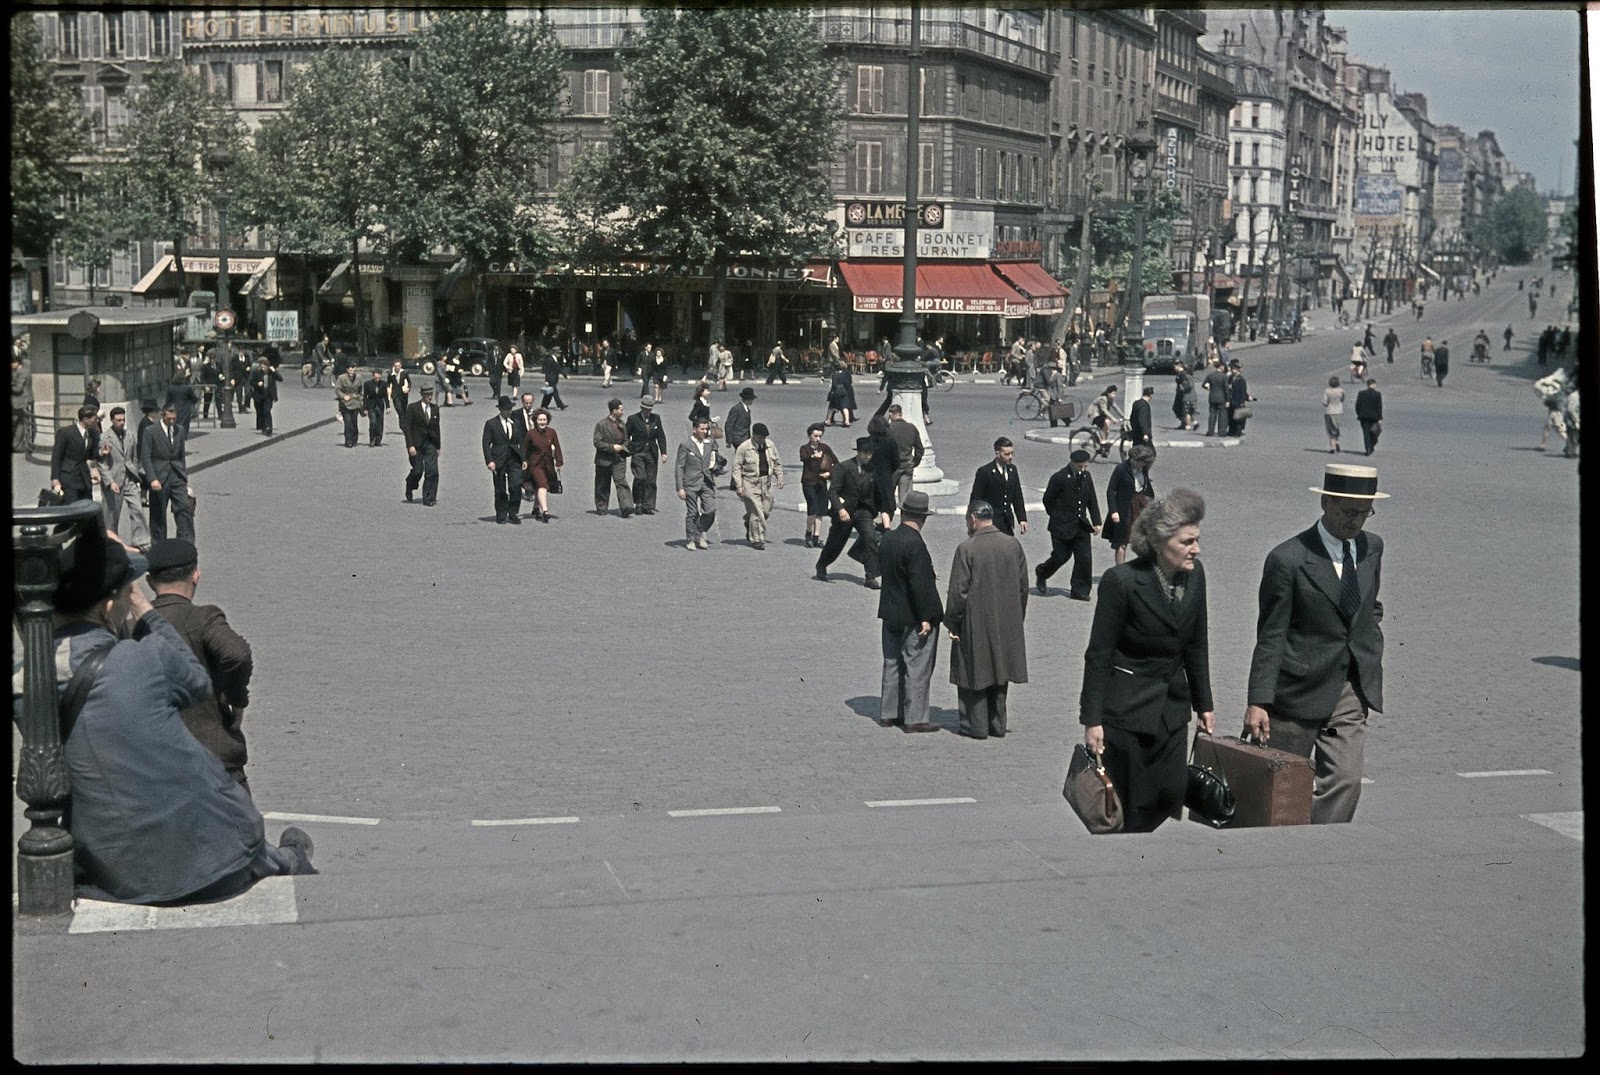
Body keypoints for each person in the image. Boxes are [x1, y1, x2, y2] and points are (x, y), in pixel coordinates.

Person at [23, 529, 315, 904]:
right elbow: (194, 679)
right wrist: (143, 608)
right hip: (213, 861)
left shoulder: (27, 678)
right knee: (268, 856)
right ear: (110, 605)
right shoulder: (143, 657)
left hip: (114, 869)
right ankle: (289, 859)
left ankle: (284, 856)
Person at [1245, 464, 1389, 825]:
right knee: (1282, 787)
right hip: (1296, 694)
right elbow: (1271, 635)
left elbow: (1368, 606)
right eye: (1347, 511)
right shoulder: (1288, 559)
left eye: (1364, 512)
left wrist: (1371, 645)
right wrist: (1258, 700)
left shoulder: (1372, 548)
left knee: (1345, 780)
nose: (1356, 522)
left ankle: (1319, 847)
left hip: (1348, 691)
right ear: (1325, 503)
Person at [1079, 488, 1214, 833]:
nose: (1195, 549)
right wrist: (1092, 721)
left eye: (1196, 540)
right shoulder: (1121, 582)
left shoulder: (1195, 577)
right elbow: (1099, 654)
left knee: (1169, 794)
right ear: (1159, 541)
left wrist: (1204, 704)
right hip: (1127, 713)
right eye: (1187, 542)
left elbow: (1197, 644)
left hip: (1171, 711)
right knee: (1131, 804)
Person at [144, 538, 255, 789]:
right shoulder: (204, 618)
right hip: (213, 754)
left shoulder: (131, 627)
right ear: (196, 575)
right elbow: (236, 653)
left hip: (156, 759)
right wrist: (236, 698)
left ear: (150, 581)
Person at [944, 501, 1029, 740]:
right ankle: (997, 723)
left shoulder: (967, 549)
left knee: (975, 670)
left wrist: (952, 621)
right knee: (999, 670)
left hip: (976, 620)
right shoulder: (1013, 545)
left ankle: (976, 724)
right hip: (1007, 620)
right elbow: (1023, 587)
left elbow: (958, 592)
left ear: (972, 519)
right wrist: (1016, 616)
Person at [877, 490, 943, 733]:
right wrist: (927, 617)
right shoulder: (915, 544)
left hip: (890, 611)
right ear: (922, 518)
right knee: (917, 665)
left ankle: (889, 712)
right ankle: (915, 718)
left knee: (892, 662)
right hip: (913, 616)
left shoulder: (889, 538)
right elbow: (920, 585)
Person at [815, 435, 881, 587]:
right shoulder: (844, 467)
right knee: (836, 542)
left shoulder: (872, 469)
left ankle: (870, 576)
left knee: (870, 538)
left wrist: (875, 511)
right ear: (858, 452)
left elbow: (875, 492)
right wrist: (840, 509)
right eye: (865, 453)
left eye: (870, 453)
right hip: (845, 511)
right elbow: (833, 491)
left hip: (863, 511)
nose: (868, 456)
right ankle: (822, 565)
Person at [1036, 449, 1101, 601]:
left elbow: (1092, 499)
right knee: (1061, 557)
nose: (1084, 470)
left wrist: (1096, 521)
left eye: (1086, 466)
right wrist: (1057, 516)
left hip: (1081, 525)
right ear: (1072, 463)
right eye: (1081, 467)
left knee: (1084, 558)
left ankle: (1079, 590)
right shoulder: (1059, 478)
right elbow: (1048, 500)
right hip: (1061, 525)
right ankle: (1042, 572)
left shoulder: (1086, 476)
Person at [141, 401, 195, 544]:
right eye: (169, 418)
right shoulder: (151, 431)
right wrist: (152, 478)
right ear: (162, 416)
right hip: (159, 477)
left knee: (184, 508)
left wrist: (184, 479)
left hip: (176, 475)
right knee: (158, 514)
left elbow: (181, 456)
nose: (172, 421)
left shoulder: (179, 430)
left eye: (174, 418)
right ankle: (159, 545)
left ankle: (186, 542)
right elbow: (145, 458)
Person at [98, 407, 150, 550]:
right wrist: (109, 481)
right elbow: (102, 464)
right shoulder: (105, 437)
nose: (121, 423)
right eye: (118, 420)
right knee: (112, 514)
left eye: (123, 420)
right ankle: (111, 542)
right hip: (114, 481)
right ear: (112, 420)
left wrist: (135, 474)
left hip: (129, 479)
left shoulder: (130, 436)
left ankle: (141, 541)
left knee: (137, 509)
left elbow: (133, 458)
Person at [674, 416, 723, 550]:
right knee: (692, 512)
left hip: (706, 481)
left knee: (710, 510)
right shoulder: (686, 445)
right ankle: (690, 539)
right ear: (694, 429)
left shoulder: (710, 442)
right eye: (702, 429)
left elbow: (714, 457)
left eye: (706, 429)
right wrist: (680, 487)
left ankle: (699, 531)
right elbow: (679, 466)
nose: (704, 431)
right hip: (690, 482)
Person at [732, 422, 784, 549]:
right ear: (754, 436)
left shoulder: (770, 446)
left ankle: (749, 521)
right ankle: (757, 539)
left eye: (764, 438)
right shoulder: (744, 448)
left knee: (766, 509)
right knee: (757, 511)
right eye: (760, 437)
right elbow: (737, 467)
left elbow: (777, 462)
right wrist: (739, 486)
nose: (762, 440)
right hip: (750, 482)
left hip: (766, 482)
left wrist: (780, 477)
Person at [1104, 443, 1156, 566]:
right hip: (1125, 508)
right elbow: (1111, 490)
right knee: (1122, 542)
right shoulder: (1121, 469)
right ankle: (1120, 569)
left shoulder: (1143, 469)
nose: (1143, 465)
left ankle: (1145, 567)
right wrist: (1113, 511)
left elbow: (1146, 486)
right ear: (1134, 459)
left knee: (1144, 538)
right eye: (1142, 462)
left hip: (1140, 504)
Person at [969, 437, 1028, 537]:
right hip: (990, 523)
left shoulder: (1012, 470)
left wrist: (1022, 519)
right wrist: (974, 522)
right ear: (997, 453)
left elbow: (1017, 496)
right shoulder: (985, 472)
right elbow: (976, 500)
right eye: (1007, 454)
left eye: (1012, 453)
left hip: (1007, 523)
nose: (1010, 457)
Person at [482, 396, 525, 524]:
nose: (509, 411)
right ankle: (501, 513)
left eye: (510, 409)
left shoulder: (516, 422)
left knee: (516, 485)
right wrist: (489, 460)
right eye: (506, 409)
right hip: (498, 459)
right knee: (500, 488)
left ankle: (513, 512)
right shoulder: (491, 423)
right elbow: (485, 443)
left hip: (513, 458)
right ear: (500, 409)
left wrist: (524, 458)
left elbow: (521, 442)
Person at [591, 398, 635, 518]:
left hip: (618, 459)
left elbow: (626, 439)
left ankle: (626, 506)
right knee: (602, 484)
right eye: (621, 410)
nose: (623, 412)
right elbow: (597, 442)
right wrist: (611, 447)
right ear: (614, 410)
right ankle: (601, 507)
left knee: (621, 482)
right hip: (603, 460)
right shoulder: (601, 424)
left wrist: (624, 447)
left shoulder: (622, 424)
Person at [798, 422, 839, 549]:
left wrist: (829, 473)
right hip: (809, 482)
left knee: (821, 510)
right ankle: (808, 534)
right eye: (815, 436)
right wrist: (813, 456)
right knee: (813, 509)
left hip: (821, 483)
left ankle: (816, 537)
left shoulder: (825, 448)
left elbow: (837, 463)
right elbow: (803, 458)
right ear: (810, 436)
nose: (818, 439)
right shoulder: (805, 448)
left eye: (820, 436)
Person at [50, 403, 101, 504]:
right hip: (68, 478)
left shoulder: (92, 433)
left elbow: (90, 454)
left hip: (84, 478)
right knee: (71, 508)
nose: (97, 421)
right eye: (95, 418)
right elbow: (56, 457)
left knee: (87, 508)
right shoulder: (65, 433)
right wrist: (55, 478)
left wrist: (101, 452)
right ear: (86, 419)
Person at [626, 396, 669, 515]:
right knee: (640, 477)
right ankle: (638, 502)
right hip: (638, 452)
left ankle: (647, 505)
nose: (647, 412)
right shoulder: (633, 419)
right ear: (641, 408)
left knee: (650, 479)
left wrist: (663, 452)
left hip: (651, 452)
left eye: (649, 409)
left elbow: (661, 436)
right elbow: (626, 435)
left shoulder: (656, 418)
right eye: (645, 409)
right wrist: (629, 449)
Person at [521, 406, 564, 522]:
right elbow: (524, 449)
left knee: (539, 486)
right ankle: (545, 511)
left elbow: (557, 447)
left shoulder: (552, 432)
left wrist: (559, 461)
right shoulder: (531, 433)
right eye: (540, 420)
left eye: (544, 420)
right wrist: (524, 461)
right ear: (535, 421)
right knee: (542, 485)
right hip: (535, 464)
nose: (542, 422)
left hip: (548, 463)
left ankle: (535, 508)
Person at [403, 384, 442, 506]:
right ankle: (410, 485)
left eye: (431, 394)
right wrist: (410, 445)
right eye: (427, 394)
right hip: (416, 444)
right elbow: (407, 428)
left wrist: (438, 446)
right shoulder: (412, 408)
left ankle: (429, 498)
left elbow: (437, 428)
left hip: (430, 443)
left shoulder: (435, 409)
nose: (429, 397)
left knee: (432, 471)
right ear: (422, 395)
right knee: (417, 471)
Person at [885, 403, 924, 515]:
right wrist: (914, 462)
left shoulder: (888, 429)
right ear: (901, 414)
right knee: (905, 499)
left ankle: (887, 523)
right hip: (907, 465)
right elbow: (919, 449)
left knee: (888, 497)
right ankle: (905, 522)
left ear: (891, 415)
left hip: (892, 468)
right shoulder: (911, 428)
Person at [724, 386, 756, 489]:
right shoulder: (737, 409)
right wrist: (729, 440)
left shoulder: (746, 409)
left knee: (741, 461)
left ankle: (737, 482)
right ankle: (736, 483)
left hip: (744, 438)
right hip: (738, 439)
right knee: (740, 461)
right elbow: (729, 424)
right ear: (748, 399)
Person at [249, 357, 282, 436]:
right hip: (259, 395)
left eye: (265, 367)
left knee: (267, 411)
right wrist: (257, 384)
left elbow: (280, 379)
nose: (263, 369)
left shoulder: (271, 373)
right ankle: (263, 428)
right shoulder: (256, 372)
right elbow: (251, 381)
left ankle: (268, 427)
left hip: (268, 395)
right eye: (262, 367)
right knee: (260, 412)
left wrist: (274, 371)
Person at [335, 362, 364, 448]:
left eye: (353, 370)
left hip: (355, 403)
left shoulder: (358, 377)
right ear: (347, 370)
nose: (352, 372)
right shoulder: (341, 378)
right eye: (350, 370)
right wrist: (343, 396)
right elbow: (337, 390)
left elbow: (360, 390)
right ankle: (348, 441)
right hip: (345, 404)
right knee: (348, 423)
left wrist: (361, 400)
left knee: (354, 422)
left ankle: (354, 439)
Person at [1354, 378, 1383, 456]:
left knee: (1366, 433)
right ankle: (1372, 444)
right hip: (1374, 417)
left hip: (1363, 416)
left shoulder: (1361, 393)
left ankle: (1368, 448)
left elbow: (1357, 405)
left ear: (1367, 385)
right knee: (1374, 432)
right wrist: (1380, 418)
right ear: (1374, 385)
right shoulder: (1377, 394)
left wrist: (1359, 413)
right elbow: (1379, 407)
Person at [11, 351, 33, 453]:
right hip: (20, 402)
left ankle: (17, 446)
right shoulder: (20, 371)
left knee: (19, 425)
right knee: (20, 425)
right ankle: (17, 446)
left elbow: (18, 388)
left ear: (16, 363)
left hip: (20, 402)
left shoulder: (22, 372)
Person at [1200, 360, 1228, 437]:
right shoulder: (1224, 376)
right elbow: (1226, 389)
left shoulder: (1210, 375)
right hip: (1222, 398)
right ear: (1221, 367)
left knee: (1212, 415)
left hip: (1212, 397)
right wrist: (1228, 400)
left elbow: (1204, 385)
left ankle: (1210, 431)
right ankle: (1221, 432)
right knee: (1222, 415)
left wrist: (1208, 388)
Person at [362, 367, 388, 447]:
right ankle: (372, 439)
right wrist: (365, 408)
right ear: (373, 376)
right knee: (373, 422)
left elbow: (385, 396)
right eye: (376, 378)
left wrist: (388, 407)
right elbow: (365, 396)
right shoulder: (367, 384)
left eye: (379, 378)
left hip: (380, 405)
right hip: (371, 405)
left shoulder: (383, 384)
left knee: (380, 423)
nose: (377, 379)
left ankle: (378, 440)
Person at [1226, 360, 1252, 436]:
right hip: (1231, 401)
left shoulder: (1241, 380)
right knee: (1231, 417)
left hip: (1238, 401)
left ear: (1237, 369)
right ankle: (1231, 430)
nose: (1231, 370)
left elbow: (1243, 392)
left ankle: (1238, 431)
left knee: (1238, 418)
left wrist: (1242, 402)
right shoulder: (1230, 378)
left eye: (1233, 368)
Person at [826, 363, 856, 427]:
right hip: (843, 391)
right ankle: (847, 421)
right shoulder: (844, 374)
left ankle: (828, 420)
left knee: (832, 406)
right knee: (845, 407)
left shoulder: (834, 375)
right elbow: (847, 383)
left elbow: (834, 384)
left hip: (835, 391)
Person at [1322, 374, 1345, 453]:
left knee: (1330, 429)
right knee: (1336, 428)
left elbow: (1325, 402)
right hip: (1339, 411)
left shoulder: (1327, 391)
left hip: (1329, 411)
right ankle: (1337, 441)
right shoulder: (1341, 390)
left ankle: (1333, 446)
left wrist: (1326, 403)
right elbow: (1342, 399)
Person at [1171, 363, 1196, 431]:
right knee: (1183, 410)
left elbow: (1186, 385)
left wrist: (1183, 389)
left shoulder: (1182, 374)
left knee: (1182, 410)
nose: (1174, 368)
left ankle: (1187, 424)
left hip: (1182, 395)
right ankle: (1187, 423)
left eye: (1175, 366)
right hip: (1181, 394)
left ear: (1179, 366)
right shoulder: (1180, 374)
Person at [388, 360, 412, 424]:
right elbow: (388, 383)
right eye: (396, 366)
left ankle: (403, 424)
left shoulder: (404, 373)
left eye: (398, 366)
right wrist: (388, 389)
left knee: (404, 410)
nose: (397, 367)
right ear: (394, 366)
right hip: (395, 395)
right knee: (399, 410)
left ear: (401, 366)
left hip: (403, 394)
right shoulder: (391, 374)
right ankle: (402, 425)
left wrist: (408, 388)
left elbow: (409, 382)